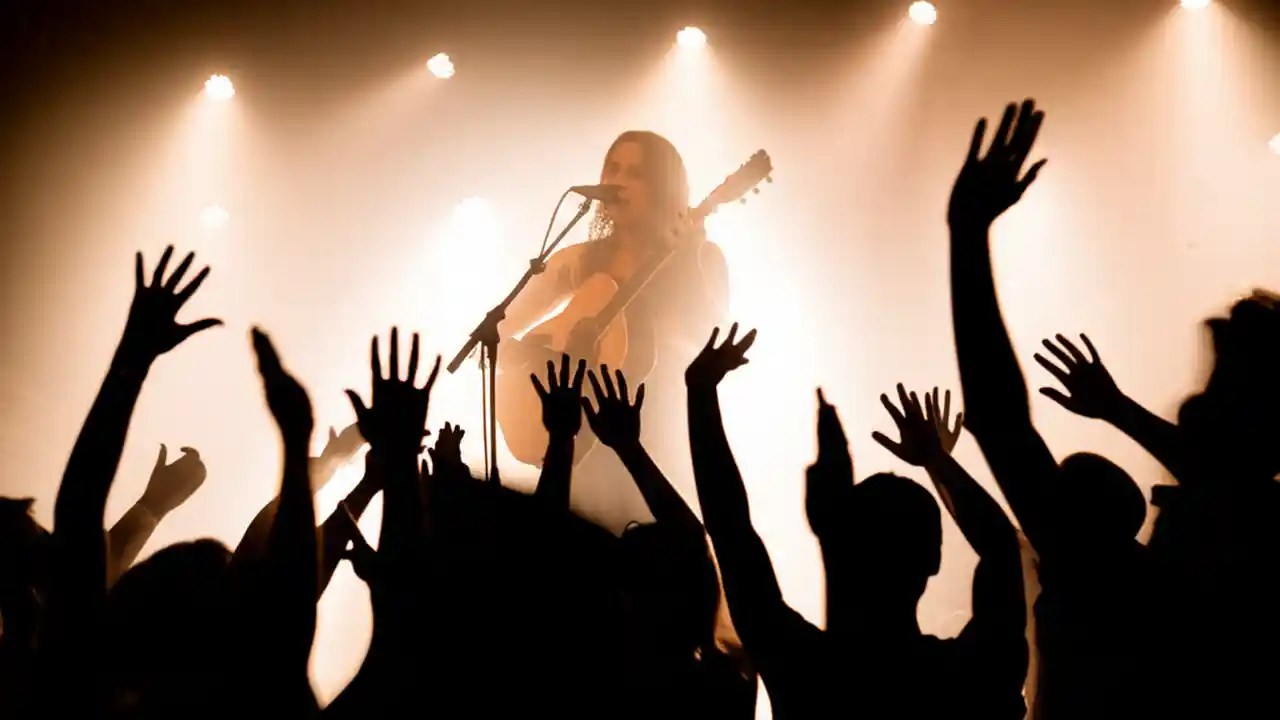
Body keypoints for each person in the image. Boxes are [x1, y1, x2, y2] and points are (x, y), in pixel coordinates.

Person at [500, 130, 730, 528]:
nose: (617, 182)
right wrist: (538, 356)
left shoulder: (698, 257)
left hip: (658, 443)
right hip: (579, 442)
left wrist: (690, 260)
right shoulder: (582, 260)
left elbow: (716, 337)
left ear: (663, 188)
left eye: (636, 173)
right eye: (613, 168)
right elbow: (500, 330)